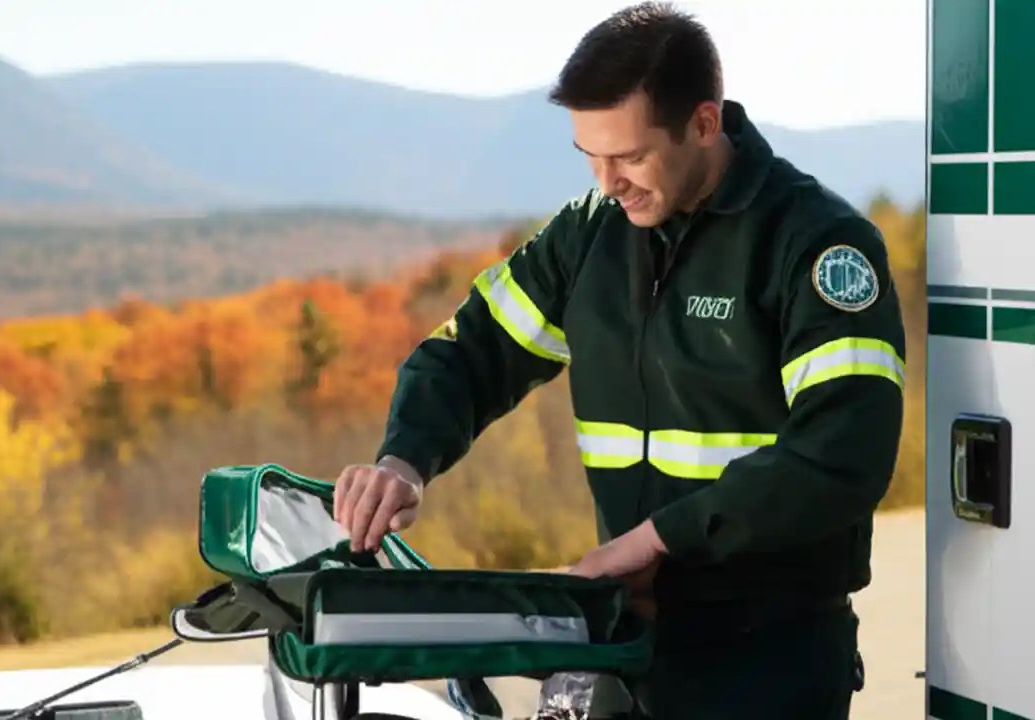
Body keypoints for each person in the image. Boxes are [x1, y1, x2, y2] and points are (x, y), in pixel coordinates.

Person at [331, 2, 906, 717]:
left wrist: (655, 541)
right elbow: (471, 350)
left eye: (630, 156)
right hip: (624, 639)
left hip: (768, 658)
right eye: (590, 157)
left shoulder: (817, 245)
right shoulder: (588, 235)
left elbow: (840, 455)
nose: (608, 183)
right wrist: (403, 460)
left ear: (704, 122)